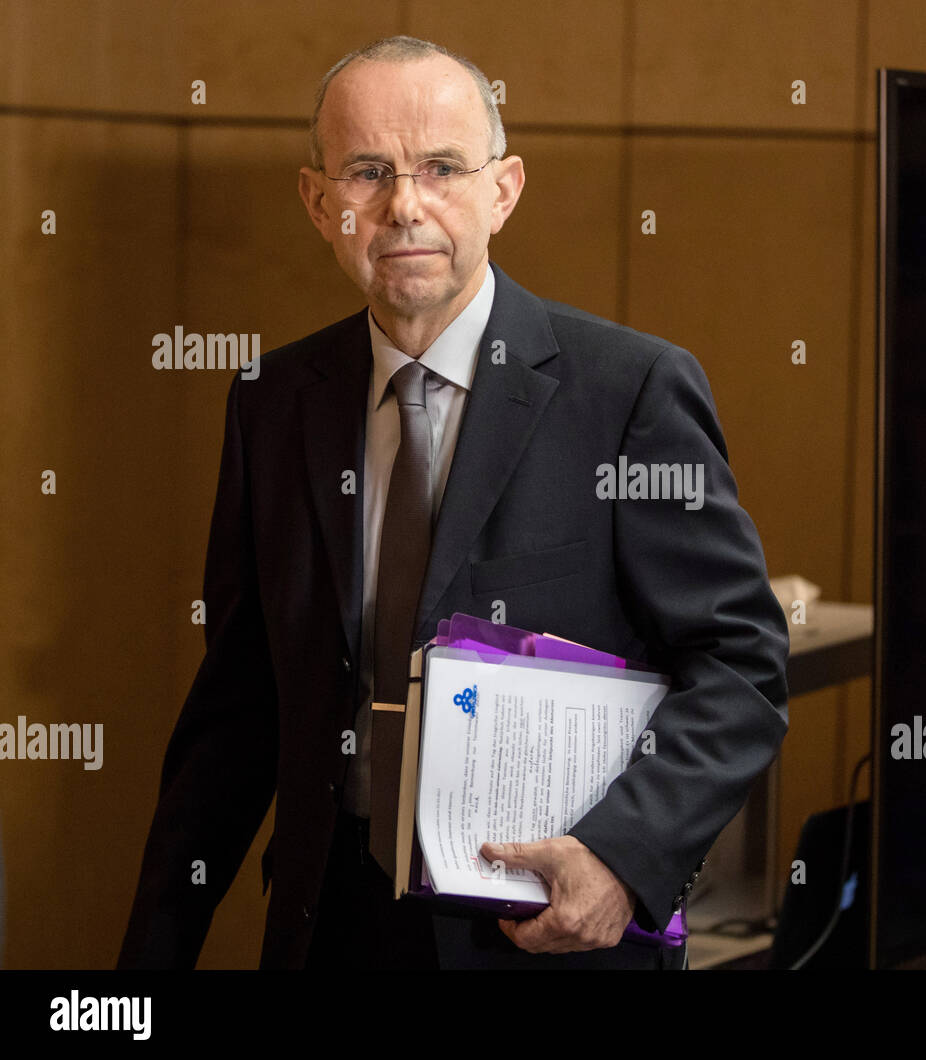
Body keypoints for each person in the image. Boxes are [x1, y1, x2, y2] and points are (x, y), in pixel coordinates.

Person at [118, 35, 788, 970]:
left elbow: (740, 665)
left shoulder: (628, 393)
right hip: (330, 929)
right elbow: (239, 707)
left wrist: (624, 860)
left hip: (543, 929)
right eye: (367, 173)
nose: (406, 207)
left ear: (503, 189)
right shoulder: (271, 400)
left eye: (441, 167)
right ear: (319, 202)